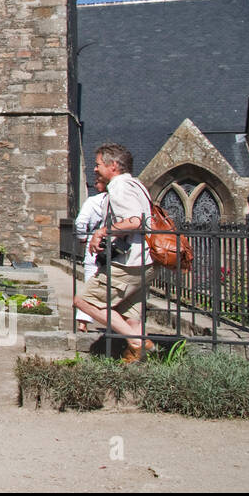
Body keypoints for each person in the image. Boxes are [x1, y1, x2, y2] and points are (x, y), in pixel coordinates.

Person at [73, 143, 156, 362]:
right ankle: (138, 361)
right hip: (146, 261)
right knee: (131, 317)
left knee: (84, 301)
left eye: (98, 164)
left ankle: (139, 342)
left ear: (114, 166)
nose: (95, 169)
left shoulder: (119, 186)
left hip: (129, 261)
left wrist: (102, 231)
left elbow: (136, 221)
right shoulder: (137, 185)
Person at [73, 180, 108, 332]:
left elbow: (80, 222)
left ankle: (83, 322)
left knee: (89, 284)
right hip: (115, 246)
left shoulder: (93, 201)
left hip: (94, 244)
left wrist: (82, 238)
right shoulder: (117, 201)